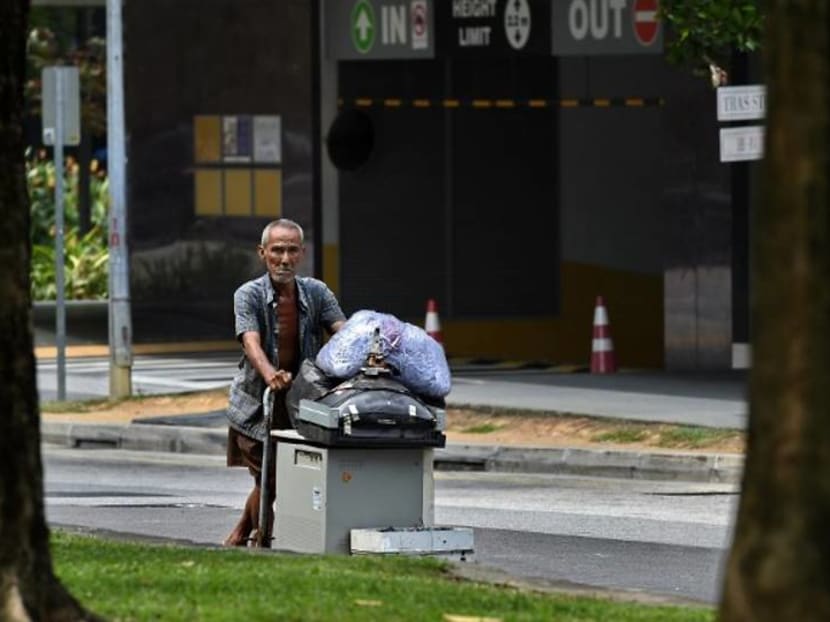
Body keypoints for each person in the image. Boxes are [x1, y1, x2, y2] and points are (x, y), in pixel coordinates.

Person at [223, 218, 346, 547]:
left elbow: (342, 331)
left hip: (299, 406)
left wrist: (368, 352)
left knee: (271, 479)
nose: (285, 259)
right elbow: (250, 340)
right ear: (263, 253)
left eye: (292, 251)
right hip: (255, 406)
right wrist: (269, 374)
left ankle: (239, 535)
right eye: (277, 250)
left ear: (302, 253)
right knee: (270, 478)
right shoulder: (248, 295)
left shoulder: (317, 292)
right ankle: (262, 540)